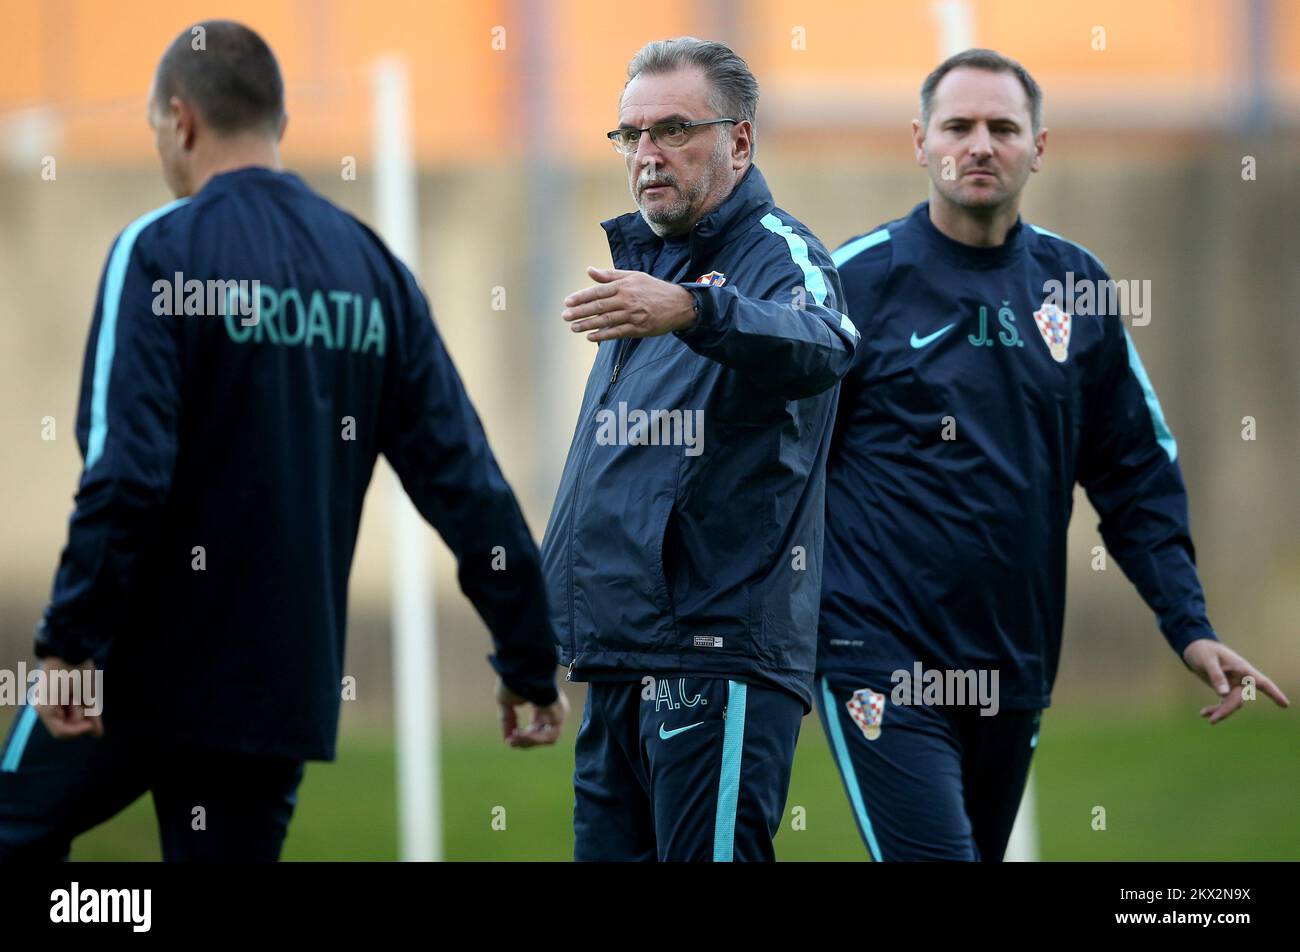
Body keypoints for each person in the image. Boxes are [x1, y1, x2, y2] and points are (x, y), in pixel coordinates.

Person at [0, 20, 565, 862]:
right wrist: (528, 656)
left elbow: (125, 477)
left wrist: (71, 643)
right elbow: (467, 484)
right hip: (277, 689)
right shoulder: (374, 272)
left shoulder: (157, 252)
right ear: (281, 126)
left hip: (137, 668)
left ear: (181, 122)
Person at [817, 48, 1289, 862]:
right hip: (877, 660)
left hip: (1013, 663)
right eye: (958, 126)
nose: (980, 144)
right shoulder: (853, 284)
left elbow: (1136, 473)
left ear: (1039, 146)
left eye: (1003, 127)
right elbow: (775, 459)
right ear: (920, 142)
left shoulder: (1078, 289)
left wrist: (1189, 624)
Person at [540, 37, 857, 861]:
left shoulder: (774, 254)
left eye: (674, 129)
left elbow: (825, 344)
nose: (647, 155)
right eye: (630, 135)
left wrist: (696, 309)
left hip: (716, 661)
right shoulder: (650, 269)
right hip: (619, 659)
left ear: (739, 141)